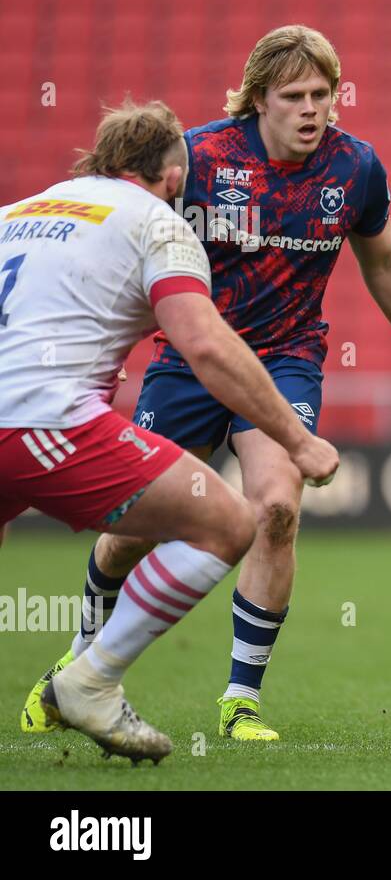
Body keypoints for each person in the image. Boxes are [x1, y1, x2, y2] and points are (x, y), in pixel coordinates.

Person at [21, 25, 391, 742]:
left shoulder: (355, 168)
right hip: (191, 356)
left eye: (322, 94)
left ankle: (240, 700)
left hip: (286, 358)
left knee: (275, 509)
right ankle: (82, 660)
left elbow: (382, 261)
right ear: (257, 97)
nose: (311, 109)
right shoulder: (198, 157)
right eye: (294, 95)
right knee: (131, 528)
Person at [1, 100, 338, 763]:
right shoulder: (156, 220)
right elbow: (206, 346)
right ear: (176, 175)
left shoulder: (19, 212)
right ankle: (91, 681)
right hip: (42, 419)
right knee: (229, 524)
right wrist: (296, 439)